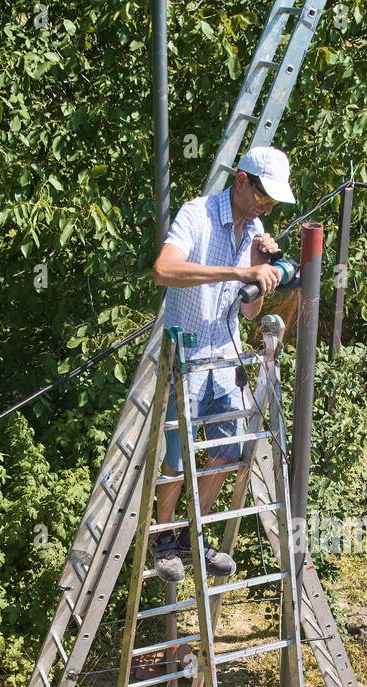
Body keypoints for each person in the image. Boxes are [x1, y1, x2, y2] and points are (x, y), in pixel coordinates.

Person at [150, 145, 295, 581]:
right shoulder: (196, 214)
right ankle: (162, 538)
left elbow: (250, 313)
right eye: (262, 195)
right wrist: (237, 273)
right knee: (177, 453)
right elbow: (163, 270)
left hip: (226, 356)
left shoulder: (254, 227)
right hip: (187, 354)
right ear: (240, 181)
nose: (266, 205)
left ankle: (190, 534)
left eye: (272, 200)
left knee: (228, 449)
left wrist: (259, 267)